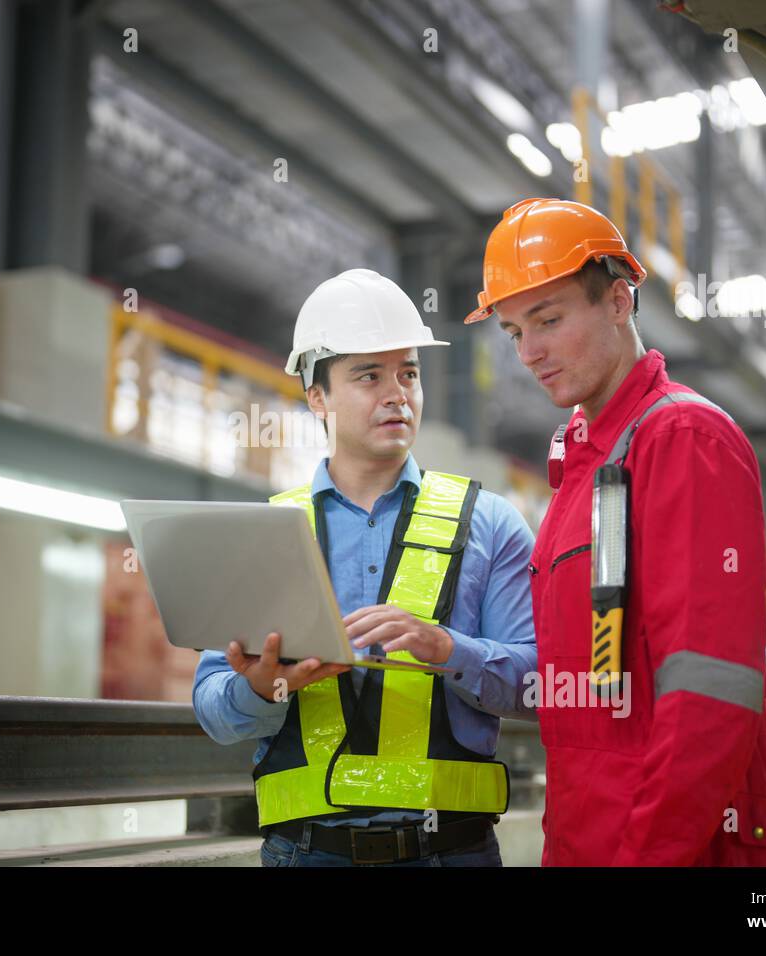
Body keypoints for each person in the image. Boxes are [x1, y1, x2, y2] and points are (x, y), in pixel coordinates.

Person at [464, 198, 766, 865]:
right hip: (585, 838)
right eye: (514, 331)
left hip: (668, 848)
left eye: (548, 321)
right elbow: (584, 690)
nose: (529, 352)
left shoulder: (685, 440)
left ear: (618, 300)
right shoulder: (583, 471)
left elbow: (711, 691)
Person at [193, 268, 537, 866]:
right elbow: (214, 709)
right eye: (368, 376)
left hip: (454, 852)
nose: (397, 393)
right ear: (317, 395)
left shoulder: (492, 523)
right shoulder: (267, 534)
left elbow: (537, 686)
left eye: (409, 372)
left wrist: (448, 649)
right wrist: (263, 686)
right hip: (306, 855)